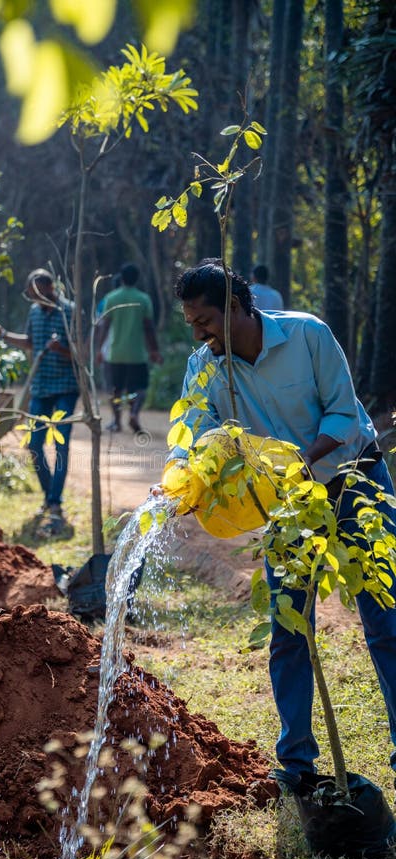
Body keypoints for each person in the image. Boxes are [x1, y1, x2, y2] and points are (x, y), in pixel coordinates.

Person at [170, 259, 396, 787]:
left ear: (234, 306)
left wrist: (299, 461)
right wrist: (180, 482)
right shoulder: (206, 365)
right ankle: (296, 762)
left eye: (204, 321)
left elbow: (343, 415)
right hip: (288, 509)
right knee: (290, 630)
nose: (199, 334)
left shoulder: (306, 334)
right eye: (191, 325)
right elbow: (195, 437)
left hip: (354, 485)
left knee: (386, 623)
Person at [0, 269, 78, 535]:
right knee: (34, 444)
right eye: (33, 295)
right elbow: (30, 342)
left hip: (66, 387)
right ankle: (49, 495)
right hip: (40, 387)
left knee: (60, 444)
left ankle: (55, 503)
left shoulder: (70, 311)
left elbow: (80, 352)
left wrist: (61, 350)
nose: (37, 299)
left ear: (52, 289)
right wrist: (5, 335)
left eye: (41, 294)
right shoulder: (34, 313)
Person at [96, 262, 162, 434]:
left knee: (115, 389)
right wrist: (154, 350)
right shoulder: (143, 299)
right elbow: (149, 327)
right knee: (139, 388)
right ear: (136, 279)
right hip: (137, 353)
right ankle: (133, 413)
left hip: (115, 353)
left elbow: (104, 325)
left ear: (122, 278)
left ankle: (116, 421)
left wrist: (100, 349)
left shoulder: (111, 298)